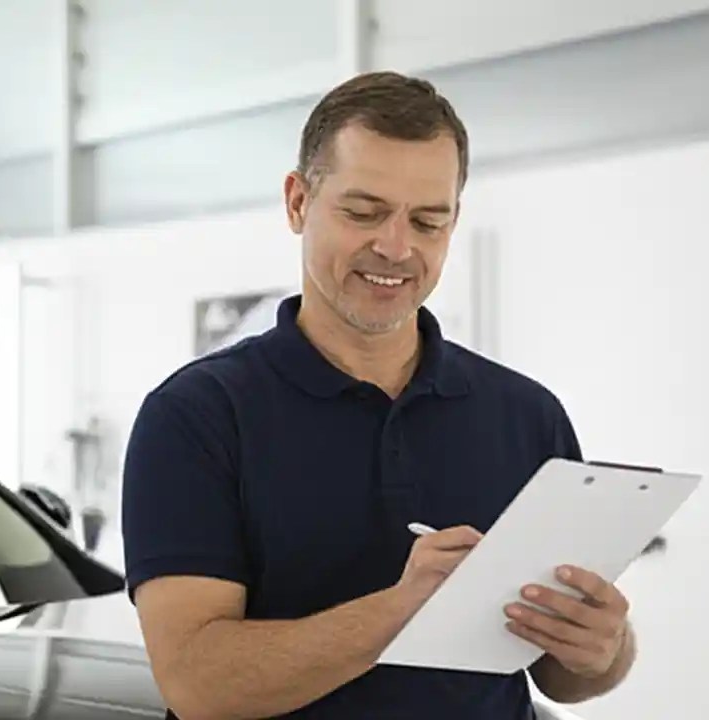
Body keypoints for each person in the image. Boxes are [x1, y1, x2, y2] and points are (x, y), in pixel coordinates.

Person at [120, 70, 637, 719]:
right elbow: (199, 684)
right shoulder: (198, 416)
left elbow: (563, 679)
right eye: (364, 213)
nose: (396, 247)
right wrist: (401, 611)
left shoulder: (526, 415)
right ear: (297, 202)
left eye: (428, 221)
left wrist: (604, 649)